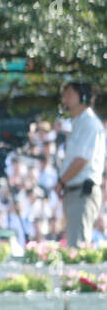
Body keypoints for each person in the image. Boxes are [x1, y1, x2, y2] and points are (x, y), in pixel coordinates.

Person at [55, 82, 104, 249]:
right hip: (74, 191)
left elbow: (81, 160)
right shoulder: (77, 123)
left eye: (69, 94)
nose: (65, 99)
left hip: (82, 191)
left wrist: (61, 182)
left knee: (77, 248)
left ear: (83, 97)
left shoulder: (89, 124)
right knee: (73, 244)